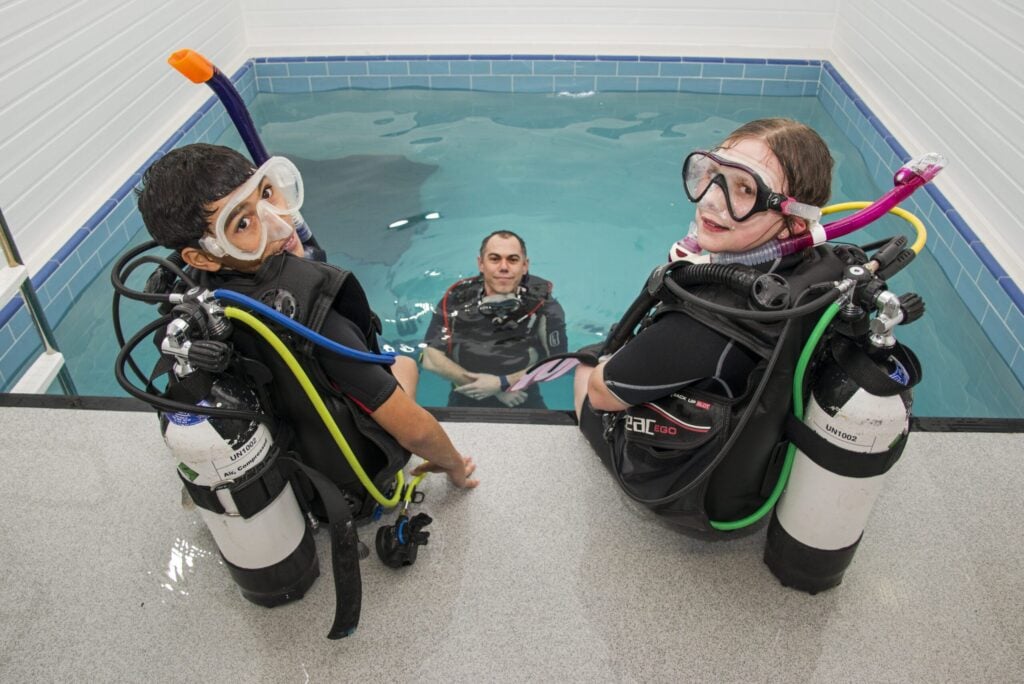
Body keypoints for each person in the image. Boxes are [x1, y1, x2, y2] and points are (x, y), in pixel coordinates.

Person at [136, 143, 478, 493]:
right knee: (405, 363)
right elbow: (415, 430)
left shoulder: (194, 298)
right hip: (345, 481)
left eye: (267, 193)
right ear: (202, 256)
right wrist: (452, 465)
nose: (279, 224)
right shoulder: (312, 316)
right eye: (242, 223)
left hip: (277, 472)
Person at [572, 118, 844, 531]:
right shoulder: (819, 269)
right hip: (756, 455)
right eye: (715, 175)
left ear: (794, 222)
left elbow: (602, 396)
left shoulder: (701, 324)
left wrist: (608, 360)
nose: (711, 201)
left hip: (695, 498)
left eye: (745, 190)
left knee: (585, 371)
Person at [421, 230, 567, 409]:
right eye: (495, 259)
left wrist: (502, 383)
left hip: (521, 395)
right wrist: (494, 389)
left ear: (525, 266)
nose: (503, 267)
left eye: (512, 259)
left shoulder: (543, 304)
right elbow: (430, 358)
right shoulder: (458, 299)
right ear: (481, 264)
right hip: (467, 392)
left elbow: (558, 362)